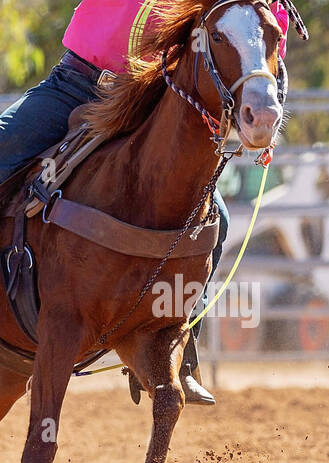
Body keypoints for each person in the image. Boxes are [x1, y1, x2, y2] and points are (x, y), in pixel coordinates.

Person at [0, 0, 293, 404]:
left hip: (149, 102)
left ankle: (175, 355)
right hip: (75, 85)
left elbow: (266, 27)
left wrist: (266, 107)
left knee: (214, 221)